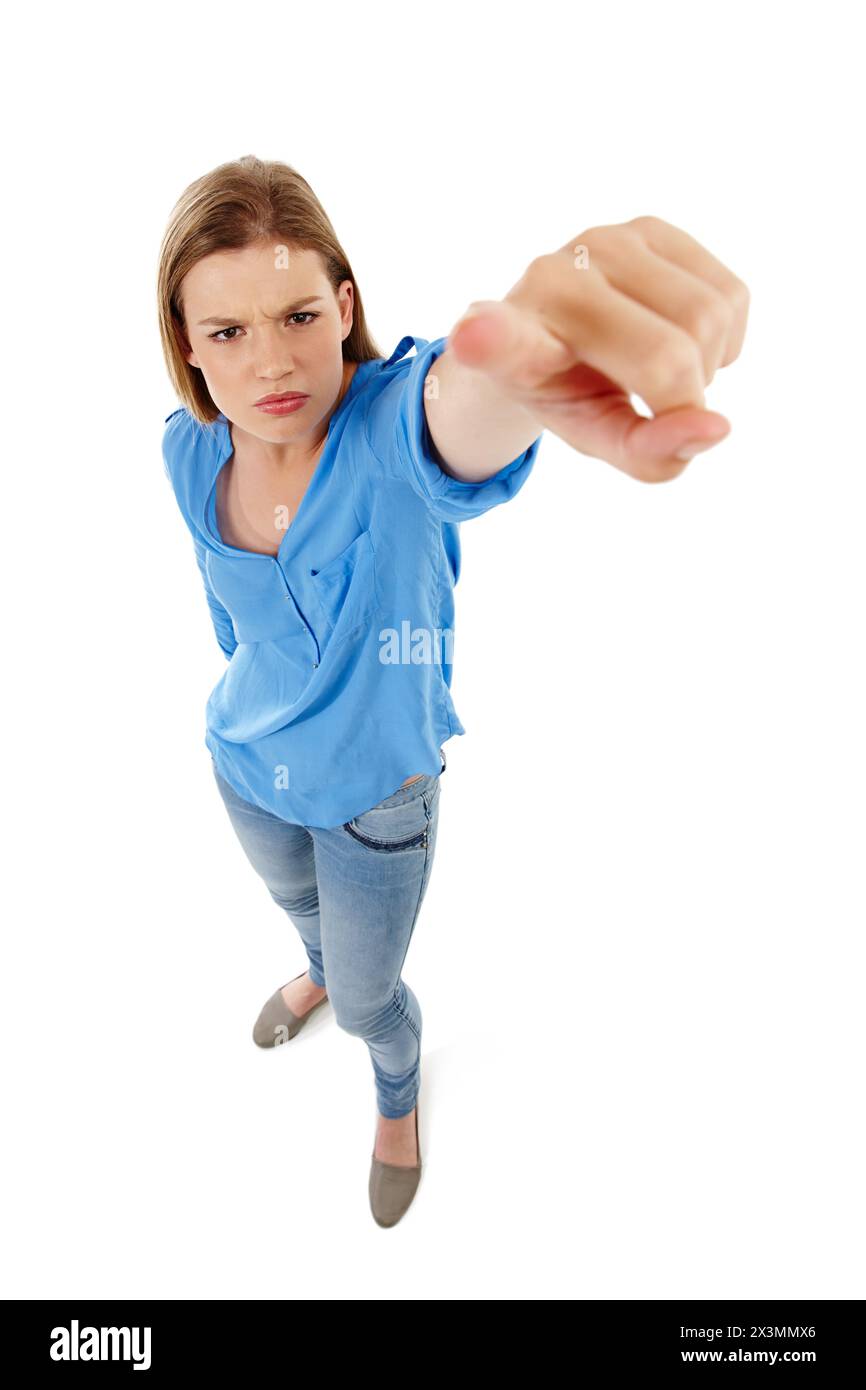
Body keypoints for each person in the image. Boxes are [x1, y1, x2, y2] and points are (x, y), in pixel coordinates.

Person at [157, 155, 749, 1228]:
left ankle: (393, 1089)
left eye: (296, 314)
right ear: (188, 346)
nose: (273, 361)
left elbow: (455, 413)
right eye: (228, 332)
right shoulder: (185, 455)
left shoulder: (390, 432)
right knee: (307, 925)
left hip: (377, 803)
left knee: (377, 994)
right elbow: (227, 612)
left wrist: (524, 349)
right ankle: (319, 970)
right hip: (243, 768)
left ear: (343, 306)